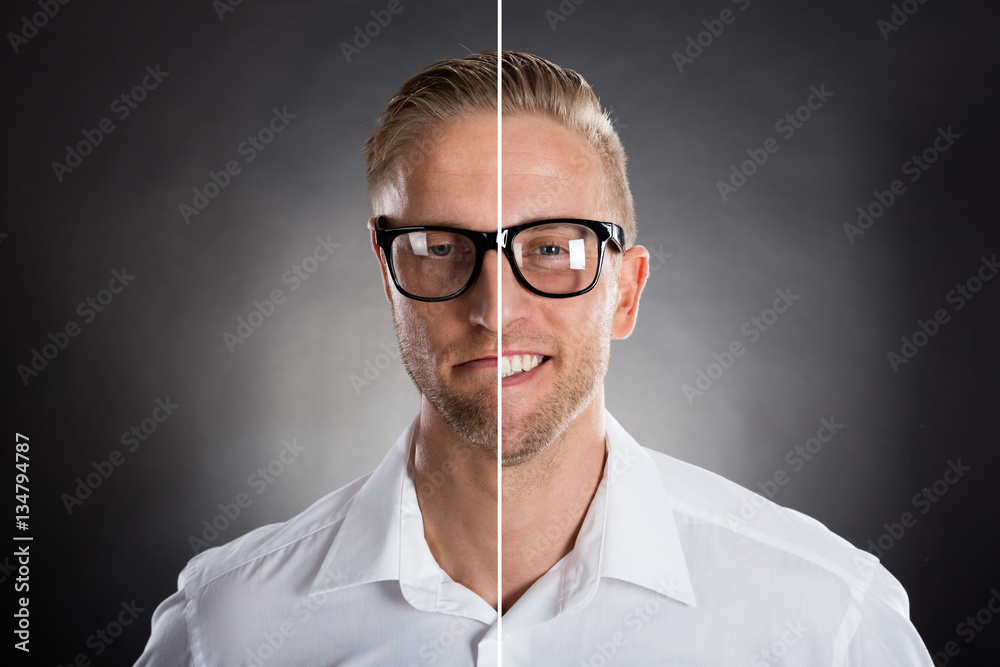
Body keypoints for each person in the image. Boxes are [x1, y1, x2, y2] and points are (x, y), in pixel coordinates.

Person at [136, 51, 933, 666]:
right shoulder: (228, 626)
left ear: (625, 292)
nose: (495, 308)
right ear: (389, 280)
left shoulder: (827, 620)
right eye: (440, 247)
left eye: (551, 248)